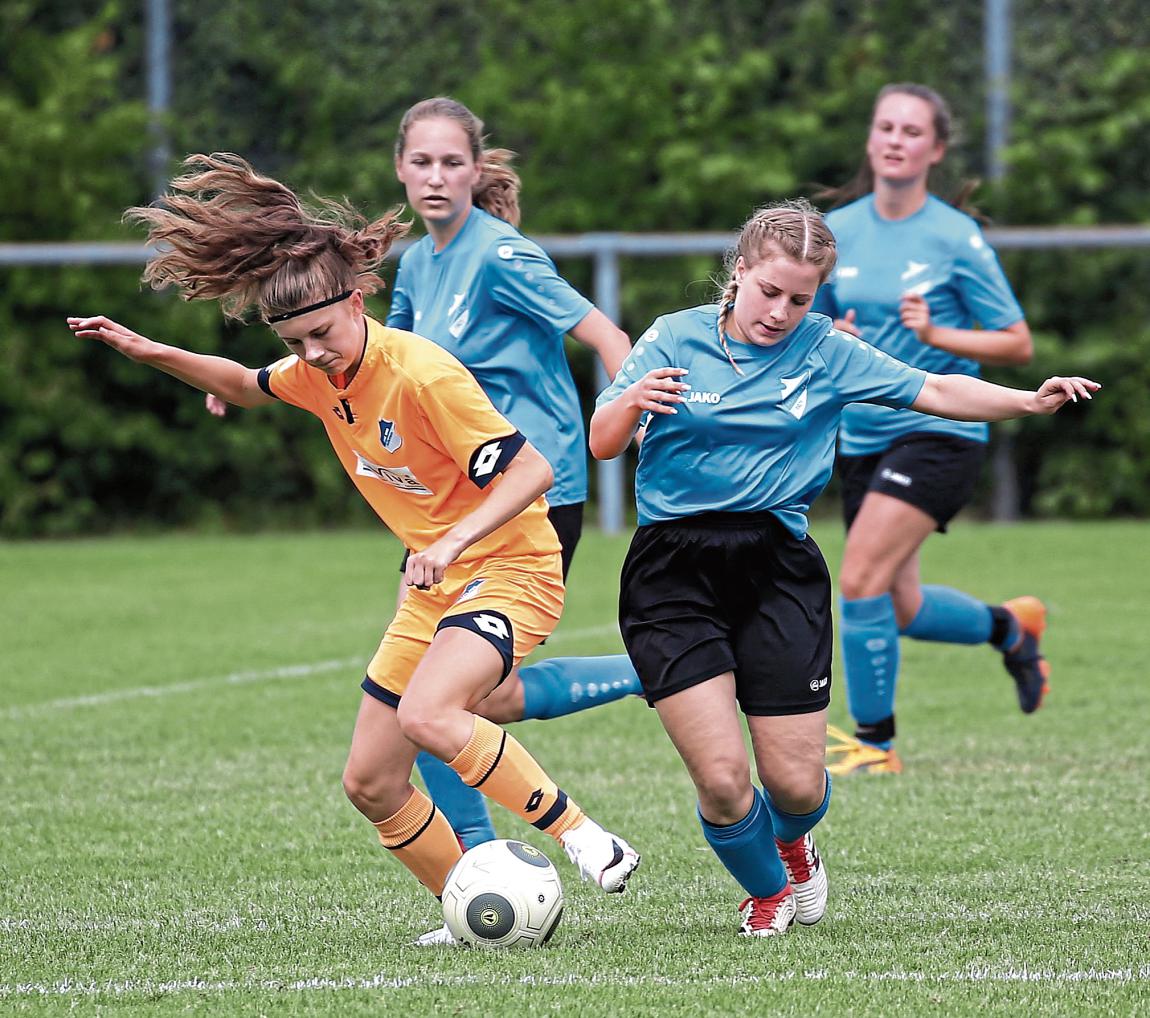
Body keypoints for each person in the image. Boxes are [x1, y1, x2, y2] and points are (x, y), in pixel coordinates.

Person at [69, 152, 640, 945]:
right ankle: (470, 908)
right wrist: (149, 351)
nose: (312, 355)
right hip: (436, 584)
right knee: (370, 781)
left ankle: (586, 837)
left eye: (322, 335)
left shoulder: (420, 374)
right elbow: (242, 382)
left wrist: (450, 538)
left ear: (359, 296)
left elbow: (535, 469)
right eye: (295, 342)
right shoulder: (317, 375)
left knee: (435, 712)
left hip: (512, 567)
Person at [589, 198, 1097, 936]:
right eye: (769, 292)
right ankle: (767, 891)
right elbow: (604, 441)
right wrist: (632, 399)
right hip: (672, 568)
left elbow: (936, 389)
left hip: (776, 567)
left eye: (800, 299)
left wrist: (1028, 399)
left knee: (794, 784)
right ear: (740, 272)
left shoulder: (827, 350)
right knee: (727, 782)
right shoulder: (673, 338)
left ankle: (794, 843)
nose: (780, 312)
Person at [387, 97, 642, 851]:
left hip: (536, 493)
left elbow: (606, 333)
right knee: (451, 694)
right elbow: (381, 369)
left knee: (439, 693)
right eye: (422, 162)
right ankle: (651, 670)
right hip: (450, 506)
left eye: (451, 162)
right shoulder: (415, 264)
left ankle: (477, 862)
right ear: (400, 169)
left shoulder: (501, 254)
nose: (436, 176)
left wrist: (634, 418)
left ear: (476, 169)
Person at [812, 83, 1046, 775]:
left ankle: (878, 745)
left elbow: (1017, 343)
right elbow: (805, 319)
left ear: (935, 149)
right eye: (885, 126)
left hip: (941, 430)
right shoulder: (839, 231)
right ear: (870, 140)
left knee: (857, 581)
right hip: (862, 435)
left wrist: (936, 330)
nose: (894, 140)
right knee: (900, 605)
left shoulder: (954, 237)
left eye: (912, 131)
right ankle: (1012, 627)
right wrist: (833, 328)